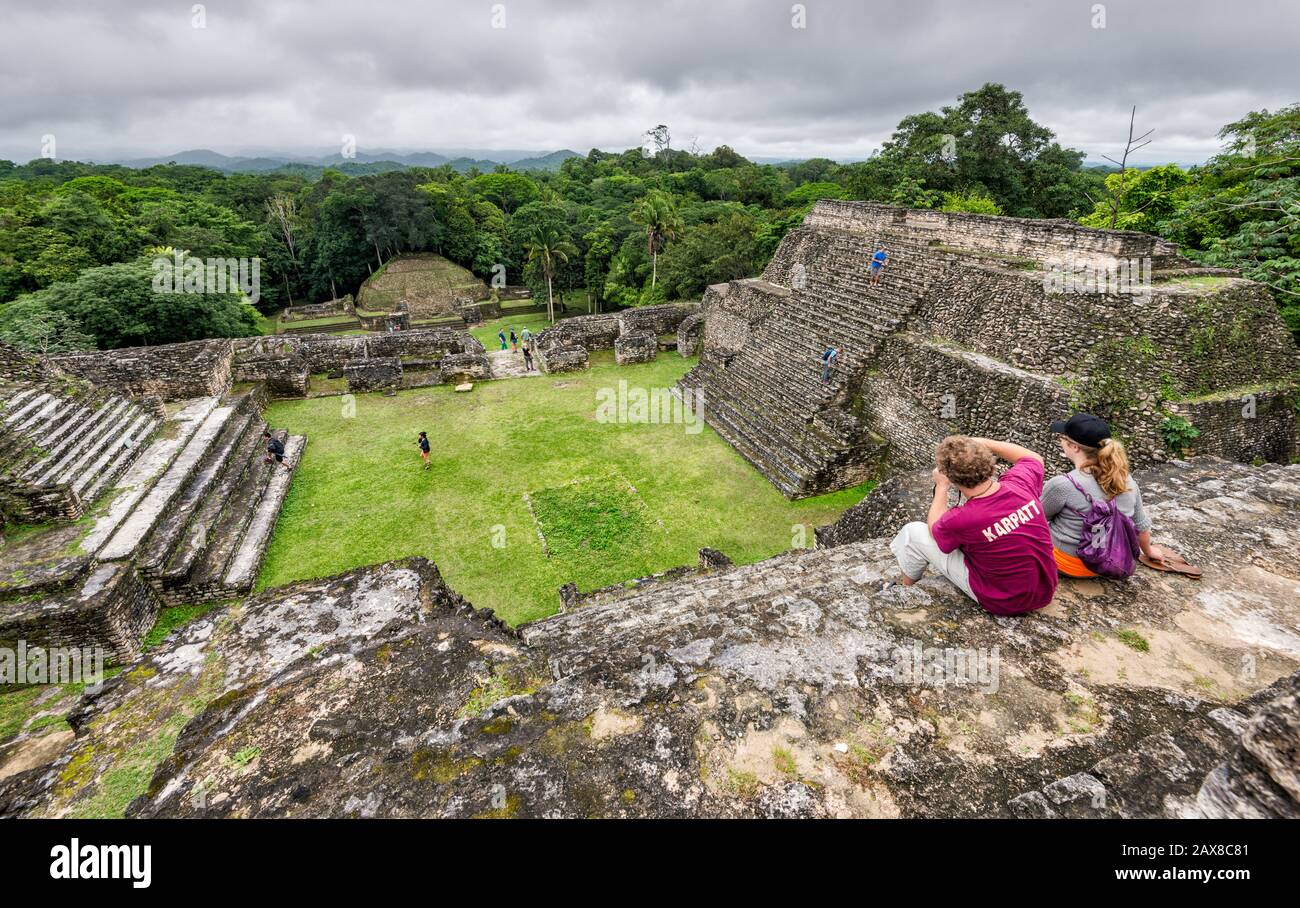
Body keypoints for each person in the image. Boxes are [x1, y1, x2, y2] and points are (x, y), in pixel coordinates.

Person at [890, 435, 1057, 616]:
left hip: (1003, 600)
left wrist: (941, 487)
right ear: (989, 464)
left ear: (951, 477)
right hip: (1044, 591)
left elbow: (934, 528)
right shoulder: (1020, 485)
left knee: (913, 531)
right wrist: (981, 443)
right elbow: (1034, 458)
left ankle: (905, 586)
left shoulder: (962, 519)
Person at [1041, 413, 1164, 577]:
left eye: (1063, 438)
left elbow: (1037, 518)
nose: (1060, 442)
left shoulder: (1063, 484)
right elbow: (1141, 525)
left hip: (1067, 564)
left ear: (1074, 447)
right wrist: (1149, 551)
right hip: (1109, 562)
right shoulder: (1126, 480)